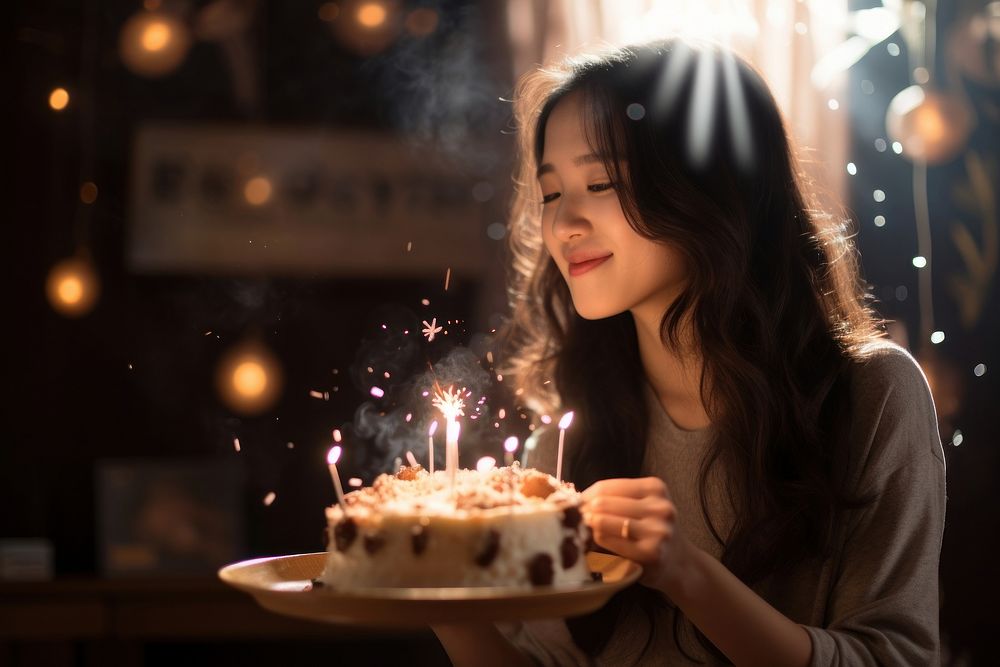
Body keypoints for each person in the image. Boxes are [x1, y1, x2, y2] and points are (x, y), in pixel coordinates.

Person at [432, 38, 946, 666]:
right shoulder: (564, 449)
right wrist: (437, 598)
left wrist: (687, 574)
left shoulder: (870, 396)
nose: (564, 224)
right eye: (549, 192)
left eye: (601, 181)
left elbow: (893, 656)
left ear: (713, 185)